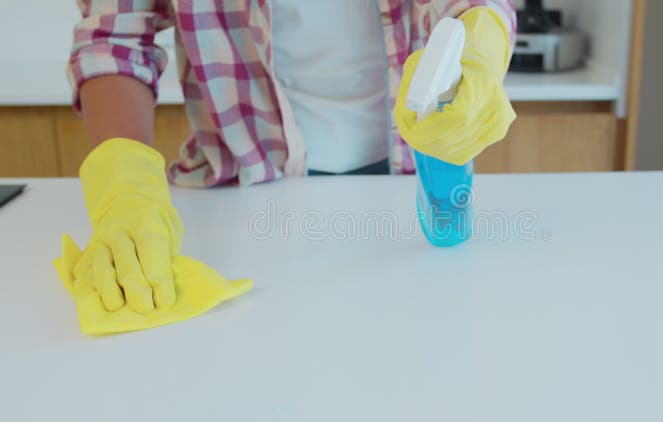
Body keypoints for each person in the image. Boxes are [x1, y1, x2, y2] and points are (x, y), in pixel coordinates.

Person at [66, 0, 517, 313]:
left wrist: (481, 45)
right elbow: (115, 39)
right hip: (238, 185)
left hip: (404, 174)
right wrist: (126, 184)